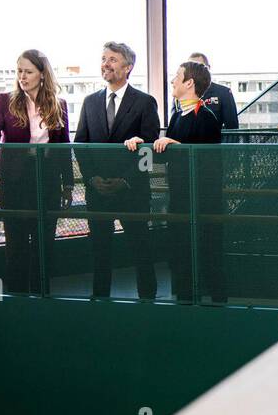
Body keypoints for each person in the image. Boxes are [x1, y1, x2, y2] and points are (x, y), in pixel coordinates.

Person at [0, 50, 72, 296]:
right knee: (16, 243)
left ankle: (42, 295)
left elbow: (63, 147)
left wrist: (68, 184)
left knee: (44, 243)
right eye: (19, 71)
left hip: (47, 180)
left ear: (42, 74)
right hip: (15, 181)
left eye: (28, 71)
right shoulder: (4, 100)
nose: (22, 76)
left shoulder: (58, 104)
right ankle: (17, 298)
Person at [74, 41, 161, 300]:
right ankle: (100, 301)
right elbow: (81, 144)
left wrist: (125, 180)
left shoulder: (145, 102)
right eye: (103, 59)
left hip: (132, 191)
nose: (105, 64)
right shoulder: (90, 102)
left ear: (128, 67)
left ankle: (148, 302)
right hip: (98, 191)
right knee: (100, 250)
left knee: (140, 249)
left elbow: (147, 148)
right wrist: (92, 179)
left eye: (112, 59)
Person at [135, 61, 227, 304]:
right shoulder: (177, 116)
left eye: (177, 77)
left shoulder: (206, 117)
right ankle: (185, 297)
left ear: (189, 83)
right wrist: (140, 141)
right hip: (181, 198)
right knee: (181, 249)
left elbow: (207, 162)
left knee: (208, 251)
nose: (173, 81)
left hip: (202, 201)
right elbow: (164, 152)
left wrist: (177, 146)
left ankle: (216, 301)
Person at [174, 52, 238, 132]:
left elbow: (232, 128)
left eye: (199, 68)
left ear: (208, 68)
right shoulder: (180, 95)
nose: (195, 72)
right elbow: (175, 125)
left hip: (212, 142)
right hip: (184, 141)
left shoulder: (223, 93)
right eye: (190, 69)